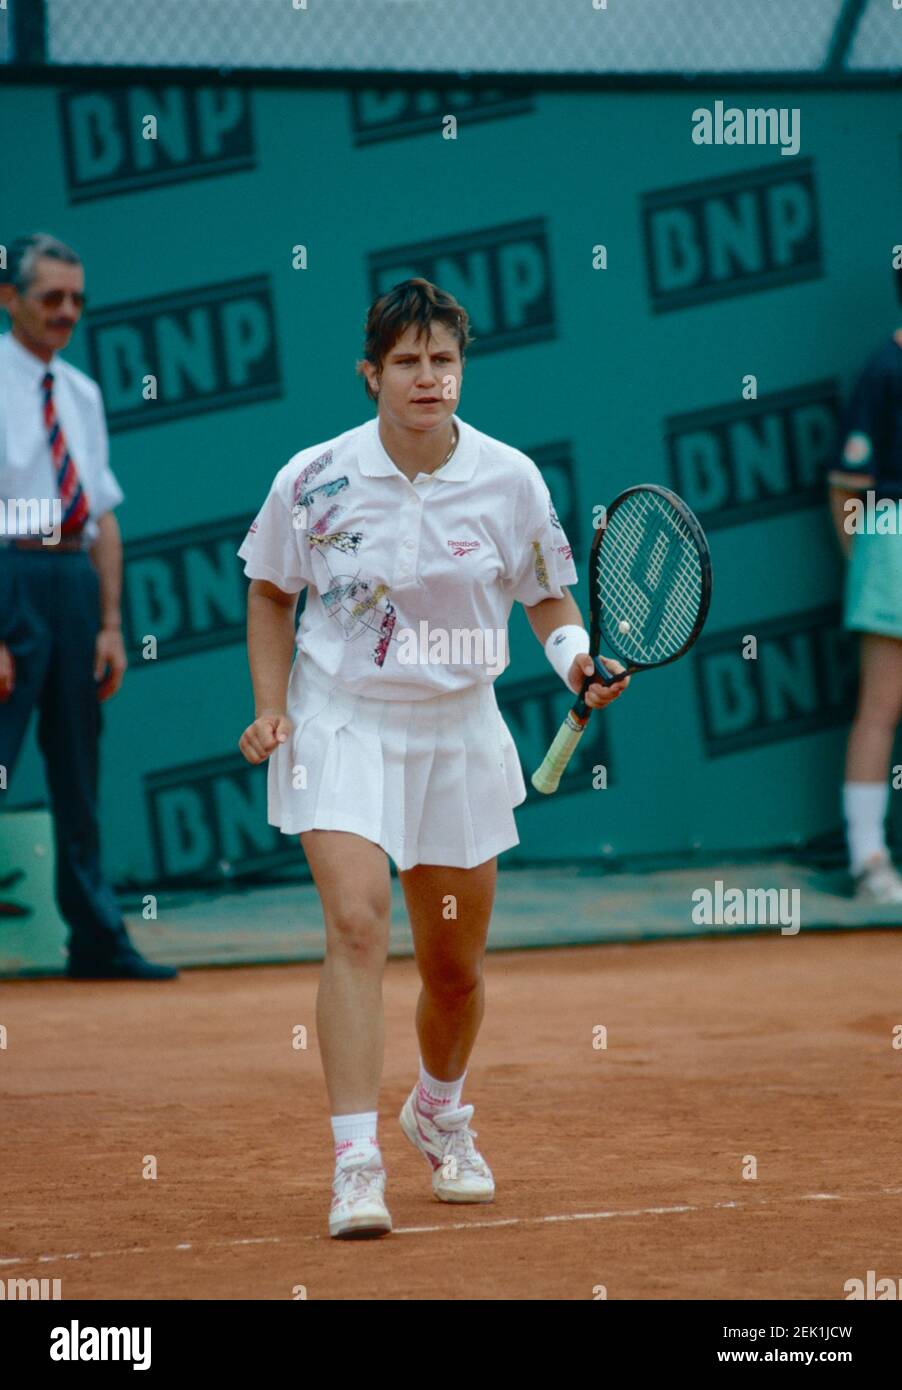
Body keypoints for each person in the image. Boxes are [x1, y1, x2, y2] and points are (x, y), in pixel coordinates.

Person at [237, 278, 628, 1238]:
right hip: (342, 723)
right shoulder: (313, 477)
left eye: (442, 361)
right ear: (372, 373)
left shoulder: (512, 481)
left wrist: (580, 660)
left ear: (462, 370)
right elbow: (270, 591)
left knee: (453, 968)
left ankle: (439, 1112)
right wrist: (271, 708)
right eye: (406, 362)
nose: (427, 378)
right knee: (358, 928)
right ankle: (355, 1160)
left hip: (457, 729)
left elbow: (548, 599)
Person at [0, 232, 178, 979]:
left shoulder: (82, 392)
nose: (67, 312)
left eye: (77, 299)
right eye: (51, 298)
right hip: (7, 574)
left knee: (78, 772)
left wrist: (109, 625)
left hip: (72, 581)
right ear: (9, 298)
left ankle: (98, 939)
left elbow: (101, 514)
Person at [827, 313, 902, 904]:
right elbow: (844, 485)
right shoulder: (884, 370)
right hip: (892, 539)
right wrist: (870, 563)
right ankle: (868, 858)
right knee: (882, 703)